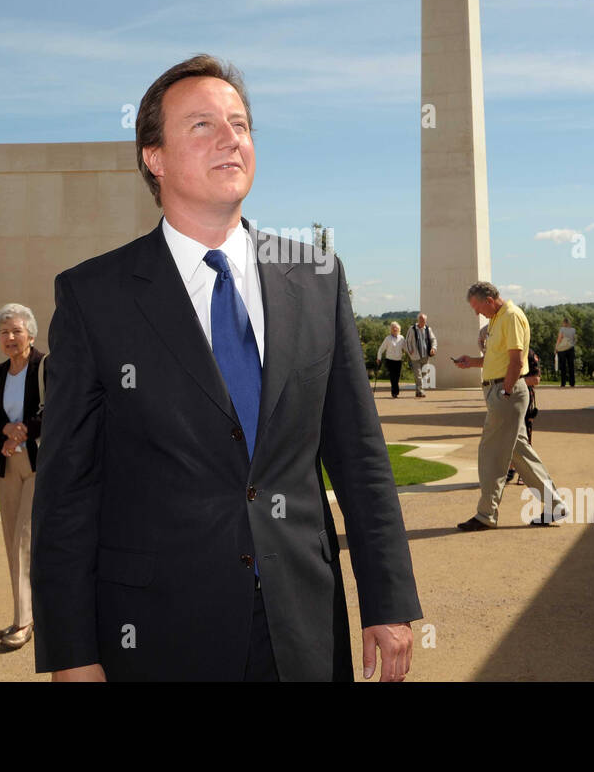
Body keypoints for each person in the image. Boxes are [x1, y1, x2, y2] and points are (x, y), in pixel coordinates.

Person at [32, 55, 421, 682]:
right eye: (203, 126)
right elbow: (67, 491)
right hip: (160, 633)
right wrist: (73, 653)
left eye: (240, 124)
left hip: (303, 623)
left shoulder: (317, 276)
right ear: (153, 158)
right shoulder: (94, 296)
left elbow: (360, 454)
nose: (231, 138)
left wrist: (389, 599)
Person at [453, 284, 566, 529]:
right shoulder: (498, 318)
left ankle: (486, 515)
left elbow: (516, 359)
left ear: (491, 300)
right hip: (504, 391)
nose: (477, 313)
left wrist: (504, 390)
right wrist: (472, 362)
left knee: (491, 453)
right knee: (519, 453)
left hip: (507, 392)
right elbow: (498, 358)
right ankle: (556, 506)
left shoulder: (511, 316)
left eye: (477, 307)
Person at [0, 304, 44, 651]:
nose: (10, 338)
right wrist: (4, 431)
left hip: (38, 464)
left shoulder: (47, 366)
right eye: (4, 332)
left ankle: (24, 620)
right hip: (6, 465)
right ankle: (28, 609)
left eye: (17, 331)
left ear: (31, 334)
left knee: (24, 540)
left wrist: (23, 432)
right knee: (11, 540)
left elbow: (59, 410)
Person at [506, 348, 541, 485]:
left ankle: (525, 471)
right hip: (507, 398)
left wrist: (513, 381)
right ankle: (510, 467)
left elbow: (536, 379)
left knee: (524, 436)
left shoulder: (530, 354)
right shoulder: (505, 352)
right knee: (508, 434)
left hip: (524, 399)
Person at [404, 313, 437, 397]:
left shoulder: (428, 329)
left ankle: (418, 391)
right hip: (415, 356)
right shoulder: (412, 329)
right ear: (418, 320)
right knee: (418, 375)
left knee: (424, 373)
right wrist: (410, 351)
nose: (423, 322)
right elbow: (407, 341)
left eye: (424, 320)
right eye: (421, 320)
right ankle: (420, 391)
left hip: (425, 355)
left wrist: (433, 348)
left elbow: (433, 339)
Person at [376, 321, 407, 398]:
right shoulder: (388, 338)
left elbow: (406, 348)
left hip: (398, 360)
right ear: (391, 329)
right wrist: (378, 358)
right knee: (392, 377)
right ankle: (395, 392)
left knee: (397, 377)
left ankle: (395, 391)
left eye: (396, 328)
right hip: (390, 360)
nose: (394, 329)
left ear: (398, 329)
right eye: (393, 328)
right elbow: (381, 349)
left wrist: (412, 354)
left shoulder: (402, 338)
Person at [555, 316, 576, 387]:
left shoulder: (562, 329)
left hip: (562, 349)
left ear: (564, 323)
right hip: (571, 348)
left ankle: (563, 383)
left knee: (563, 366)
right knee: (571, 366)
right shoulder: (573, 330)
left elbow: (559, 339)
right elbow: (574, 339)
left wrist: (556, 348)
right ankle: (572, 383)